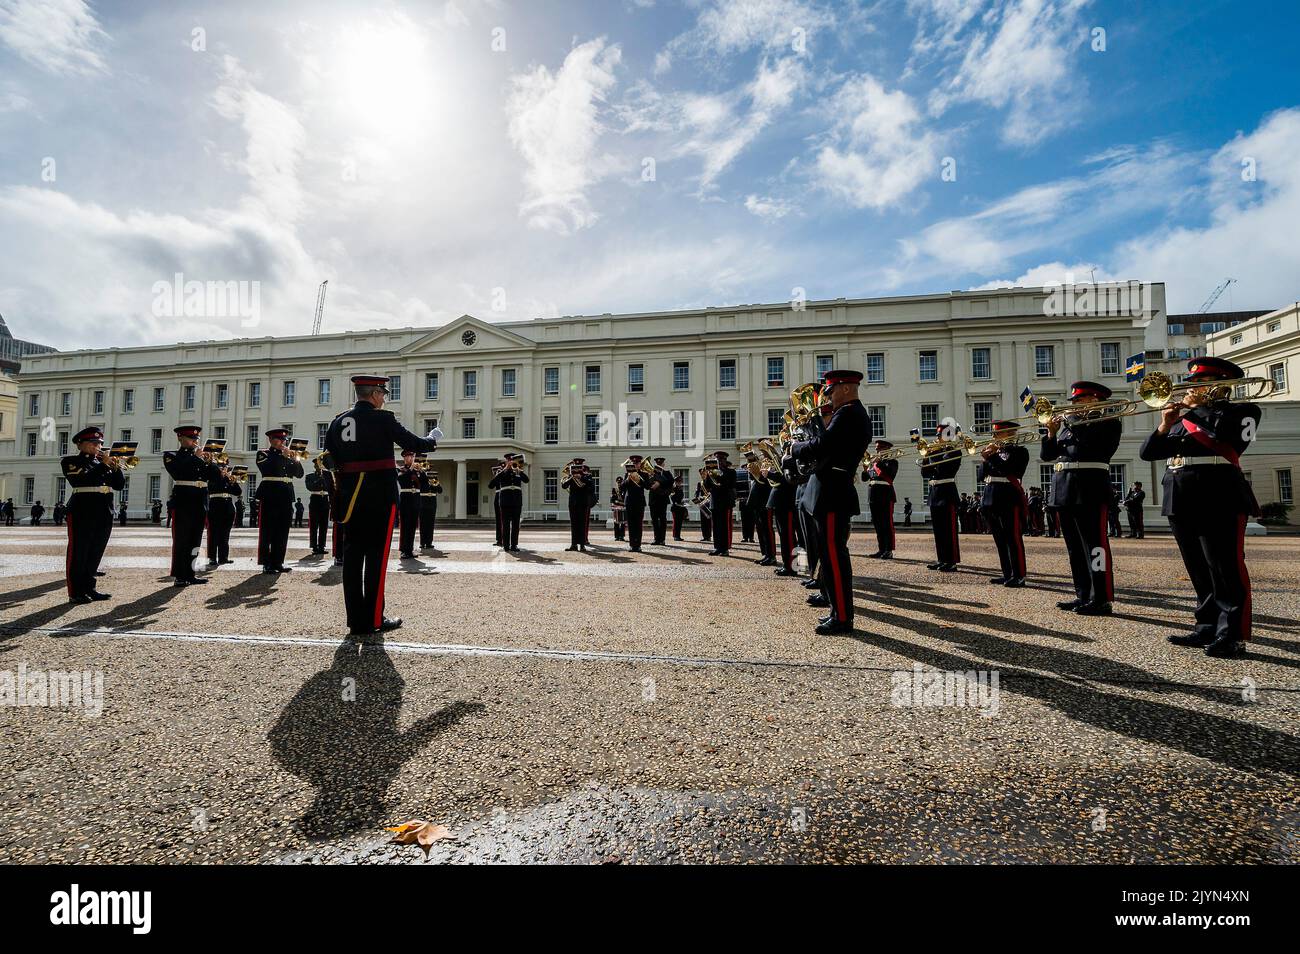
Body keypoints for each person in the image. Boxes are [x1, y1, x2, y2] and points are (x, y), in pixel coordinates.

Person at [1139, 357, 1261, 658]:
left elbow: (1232, 441)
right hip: (1180, 496)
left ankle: (1232, 633)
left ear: (1222, 385)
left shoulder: (1244, 411)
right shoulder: (1184, 419)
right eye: (1192, 383)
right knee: (1198, 567)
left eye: (1199, 384)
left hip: (1220, 495)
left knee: (1225, 567)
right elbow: (1147, 453)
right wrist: (1165, 424)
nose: (1191, 389)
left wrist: (1198, 410)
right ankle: (1206, 625)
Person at [323, 374, 440, 638]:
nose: (383, 399)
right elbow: (413, 443)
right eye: (383, 394)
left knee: (352, 559)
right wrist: (432, 439)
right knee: (376, 558)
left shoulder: (338, 421)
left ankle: (356, 619)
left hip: (350, 498)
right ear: (375, 394)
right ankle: (375, 618)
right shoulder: (383, 418)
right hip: (379, 495)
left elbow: (328, 457)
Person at [792, 370, 872, 635]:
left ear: (847, 388)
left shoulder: (849, 413)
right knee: (830, 555)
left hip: (833, 491)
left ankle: (842, 617)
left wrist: (796, 448)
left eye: (830, 390)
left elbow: (825, 444)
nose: (827, 395)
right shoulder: (848, 413)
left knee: (834, 556)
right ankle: (837, 608)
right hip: (830, 489)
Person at [1040, 381, 1122, 616]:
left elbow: (1094, 447)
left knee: (1096, 547)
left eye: (1080, 400)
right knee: (1075, 548)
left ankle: (1101, 597)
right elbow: (1047, 456)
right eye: (1074, 401)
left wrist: (1072, 422)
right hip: (1065, 490)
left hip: (1091, 488)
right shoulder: (1067, 426)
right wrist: (1051, 433)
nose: (1074, 404)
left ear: (1096, 400)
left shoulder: (1108, 422)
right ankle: (1083, 594)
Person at [60, 427, 124, 604]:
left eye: (100, 443)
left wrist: (116, 466)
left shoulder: (102, 463)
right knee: (79, 552)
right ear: (80, 444)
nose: (98, 446)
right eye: (94, 443)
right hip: (82, 510)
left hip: (104, 510)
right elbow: (83, 480)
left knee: (96, 552)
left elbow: (119, 485)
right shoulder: (71, 461)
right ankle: (76, 591)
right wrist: (104, 464)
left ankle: (90, 587)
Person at [164, 425, 219, 586]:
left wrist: (211, 462)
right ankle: (180, 575)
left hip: (200, 500)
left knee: (196, 539)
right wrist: (196, 458)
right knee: (182, 539)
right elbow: (177, 472)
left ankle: (191, 573)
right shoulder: (172, 455)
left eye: (196, 439)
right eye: (191, 438)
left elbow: (214, 477)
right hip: (183, 500)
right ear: (180, 439)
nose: (195, 441)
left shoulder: (200, 457)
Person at [977, 420, 1030, 587]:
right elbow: (981, 476)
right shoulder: (993, 452)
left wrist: (991, 456)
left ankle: (1019, 574)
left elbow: (1007, 470)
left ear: (1010, 433)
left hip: (1008, 497)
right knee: (1000, 540)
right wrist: (985, 460)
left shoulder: (1020, 451)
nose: (993, 437)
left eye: (997, 433)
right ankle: (1007, 573)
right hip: (990, 497)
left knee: (1013, 539)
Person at [255, 429, 303, 574]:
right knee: (268, 529)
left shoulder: (288, 456)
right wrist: (282, 456)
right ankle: (266, 562)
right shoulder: (264, 454)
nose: (283, 442)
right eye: (280, 440)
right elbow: (268, 467)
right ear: (271, 440)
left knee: (283, 531)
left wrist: (294, 459)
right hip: (270, 494)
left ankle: (278, 562)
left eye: (284, 440)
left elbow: (299, 474)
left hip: (286, 495)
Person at [918, 429, 962, 572]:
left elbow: (944, 469)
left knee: (949, 531)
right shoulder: (936, 453)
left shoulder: (954, 452)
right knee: (939, 531)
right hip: (935, 493)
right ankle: (942, 559)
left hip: (947, 492)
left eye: (939, 436)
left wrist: (933, 453)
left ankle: (952, 561)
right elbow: (925, 473)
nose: (937, 438)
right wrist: (926, 456)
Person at [863, 439, 898, 559]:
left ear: (886, 449)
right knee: (878, 524)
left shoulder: (892, 462)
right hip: (873, 496)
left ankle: (889, 550)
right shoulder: (874, 463)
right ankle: (881, 548)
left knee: (887, 524)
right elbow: (864, 478)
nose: (877, 450)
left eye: (879, 448)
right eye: (877, 448)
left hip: (885, 495)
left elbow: (889, 474)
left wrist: (878, 463)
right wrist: (865, 467)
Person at [766, 449, 798, 576]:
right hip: (781, 503)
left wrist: (769, 474)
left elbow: (786, 480)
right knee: (785, 537)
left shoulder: (791, 461)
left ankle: (792, 566)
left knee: (789, 537)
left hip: (787, 503)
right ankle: (788, 565)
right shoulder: (784, 461)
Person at [490, 454, 528, 552]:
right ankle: (506, 545)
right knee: (505, 524)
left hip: (517, 501)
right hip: (505, 502)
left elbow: (526, 480)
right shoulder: (502, 472)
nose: (511, 462)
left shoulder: (518, 471)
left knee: (516, 525)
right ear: (506, 461)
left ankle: (514, 545)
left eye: (512, 460)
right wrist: (505, 469)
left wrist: (519, 471)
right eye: (509, 460)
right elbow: (491, 485)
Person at [205, 463, 241, 567]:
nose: (224, 470)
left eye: (225, 468)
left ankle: (223, 557)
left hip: (228, 508)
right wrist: (221, 476)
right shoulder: (213, 478)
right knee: (213, 534)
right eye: (221, 468)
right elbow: (212, 488)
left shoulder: (229, 479)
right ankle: (212, 557)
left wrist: (233, 481)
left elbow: (238, 492)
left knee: (225, 534)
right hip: (215, 506)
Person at [745, 452, 774, 565]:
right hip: (757, 501)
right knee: (761, 530)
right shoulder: (760, 464)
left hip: (765, 500)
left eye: (764, 452)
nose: (762, 454)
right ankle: (765, 554)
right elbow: (753, 477)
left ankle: (771, 556)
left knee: (767, 529)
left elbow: (764, 480)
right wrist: (751, 463)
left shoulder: (770, 464)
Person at [705, 452, 737, 556]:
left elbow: (730, 485)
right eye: (717, 460)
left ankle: (725, 548)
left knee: (724, 526)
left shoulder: (730, 472)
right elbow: (707, 486)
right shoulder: (711, 472)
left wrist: (719, 474)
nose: (718, 462)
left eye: (720, 460)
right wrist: (707, 475)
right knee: (716, 526)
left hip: (725, 501)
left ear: (724, 460)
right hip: (715, 501)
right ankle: (717, 547)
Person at [561, 458, 594, 551]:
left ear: (582, 467)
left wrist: (581, 477)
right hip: (573, 503)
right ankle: (574, 545)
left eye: (578, 467)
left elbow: (591, 488)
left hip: (583, 503)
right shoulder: (570, 477)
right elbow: (564, 486)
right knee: (574, 524)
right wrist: (571, 477)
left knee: (582, 524)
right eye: (575, 466)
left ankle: (582, 545)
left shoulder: (587, 476)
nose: (576, 469)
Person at [304, 455, 335, 554]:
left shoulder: (328, 476)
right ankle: (314, 546)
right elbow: (310, 487)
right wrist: (320, 478)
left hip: (325, 500)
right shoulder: (310, 476)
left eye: (320, 464)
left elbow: (330, 488)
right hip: (315, 500)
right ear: (315, 466)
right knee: (314, 525)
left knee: (323, 525)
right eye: (317, 464)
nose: (319, 466)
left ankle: (321, 546)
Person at [396, 449, 422, 559]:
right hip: (406, 499)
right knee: (405, 526)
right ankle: (403, 550)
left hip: (415, 499)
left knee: (412, 526)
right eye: (407, 457)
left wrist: (422, 472)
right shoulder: (401, 469)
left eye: (411, 457)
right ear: (404, 458)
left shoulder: (416, 471)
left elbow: (423, 484)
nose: (409, 458)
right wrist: (411, 469)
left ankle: (410, 549)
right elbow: (402, 478)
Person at [622, 456, 648, 552]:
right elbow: (622, 487)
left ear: (639, 464)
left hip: (640, 502)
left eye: (637, 463)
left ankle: (638, 545)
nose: (636, 465)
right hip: (629, 502)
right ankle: (632, 545)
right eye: (634, 463)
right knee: (631, 524)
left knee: (638, 524)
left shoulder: (644, 474)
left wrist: (639, 478)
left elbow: (648, 486)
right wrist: (628, 479)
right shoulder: (627, 474)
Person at [648, 458, 673, 545]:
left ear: (663, 464)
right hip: (653, 500)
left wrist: (659, 482)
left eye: (661, 463)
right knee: (654, 520)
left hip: (663, 499)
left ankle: (662, 539)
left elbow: (670, 482)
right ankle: (656, 539)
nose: (660, 464)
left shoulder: (667, 473)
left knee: (662, 520)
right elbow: (648, 484)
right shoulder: (651, 473)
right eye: (658, 463)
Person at [418, 460, 443, 550]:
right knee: (422, 523)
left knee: (430, 524)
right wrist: (423, 476)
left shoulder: (435, 479)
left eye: (429, 467)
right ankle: (422, 542)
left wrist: (434, 485)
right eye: (426, 467)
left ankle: (429, 542)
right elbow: (419, 485)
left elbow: (440, 490)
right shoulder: (421, 478)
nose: (428, 469)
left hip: (432, 503)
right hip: (423, 502)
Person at [691, 474, 711, 542]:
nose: (703, 476)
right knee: (703, 521)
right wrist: (696, 498)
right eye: (702, 474)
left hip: (708, 503)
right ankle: (704, 536)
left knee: (708, 520)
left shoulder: (710, 482)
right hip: (702, 503)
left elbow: (711, 492)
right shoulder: (700, 483)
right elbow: (697, 492)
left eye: (704, 474)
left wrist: (706, 497)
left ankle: (708, 536)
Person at [670, 475, 689, 541]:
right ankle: (675, 536)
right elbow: (673, 498)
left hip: (680, 507)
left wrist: (682, 502)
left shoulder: (680, 488)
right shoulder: (673, 488)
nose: (679, 483)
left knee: (679, 522)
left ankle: (678, 535)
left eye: (680, 482)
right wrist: (678, 501)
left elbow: (681, 497)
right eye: (678, 482)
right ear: (675, 482)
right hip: (675, 507)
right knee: (676, 522)